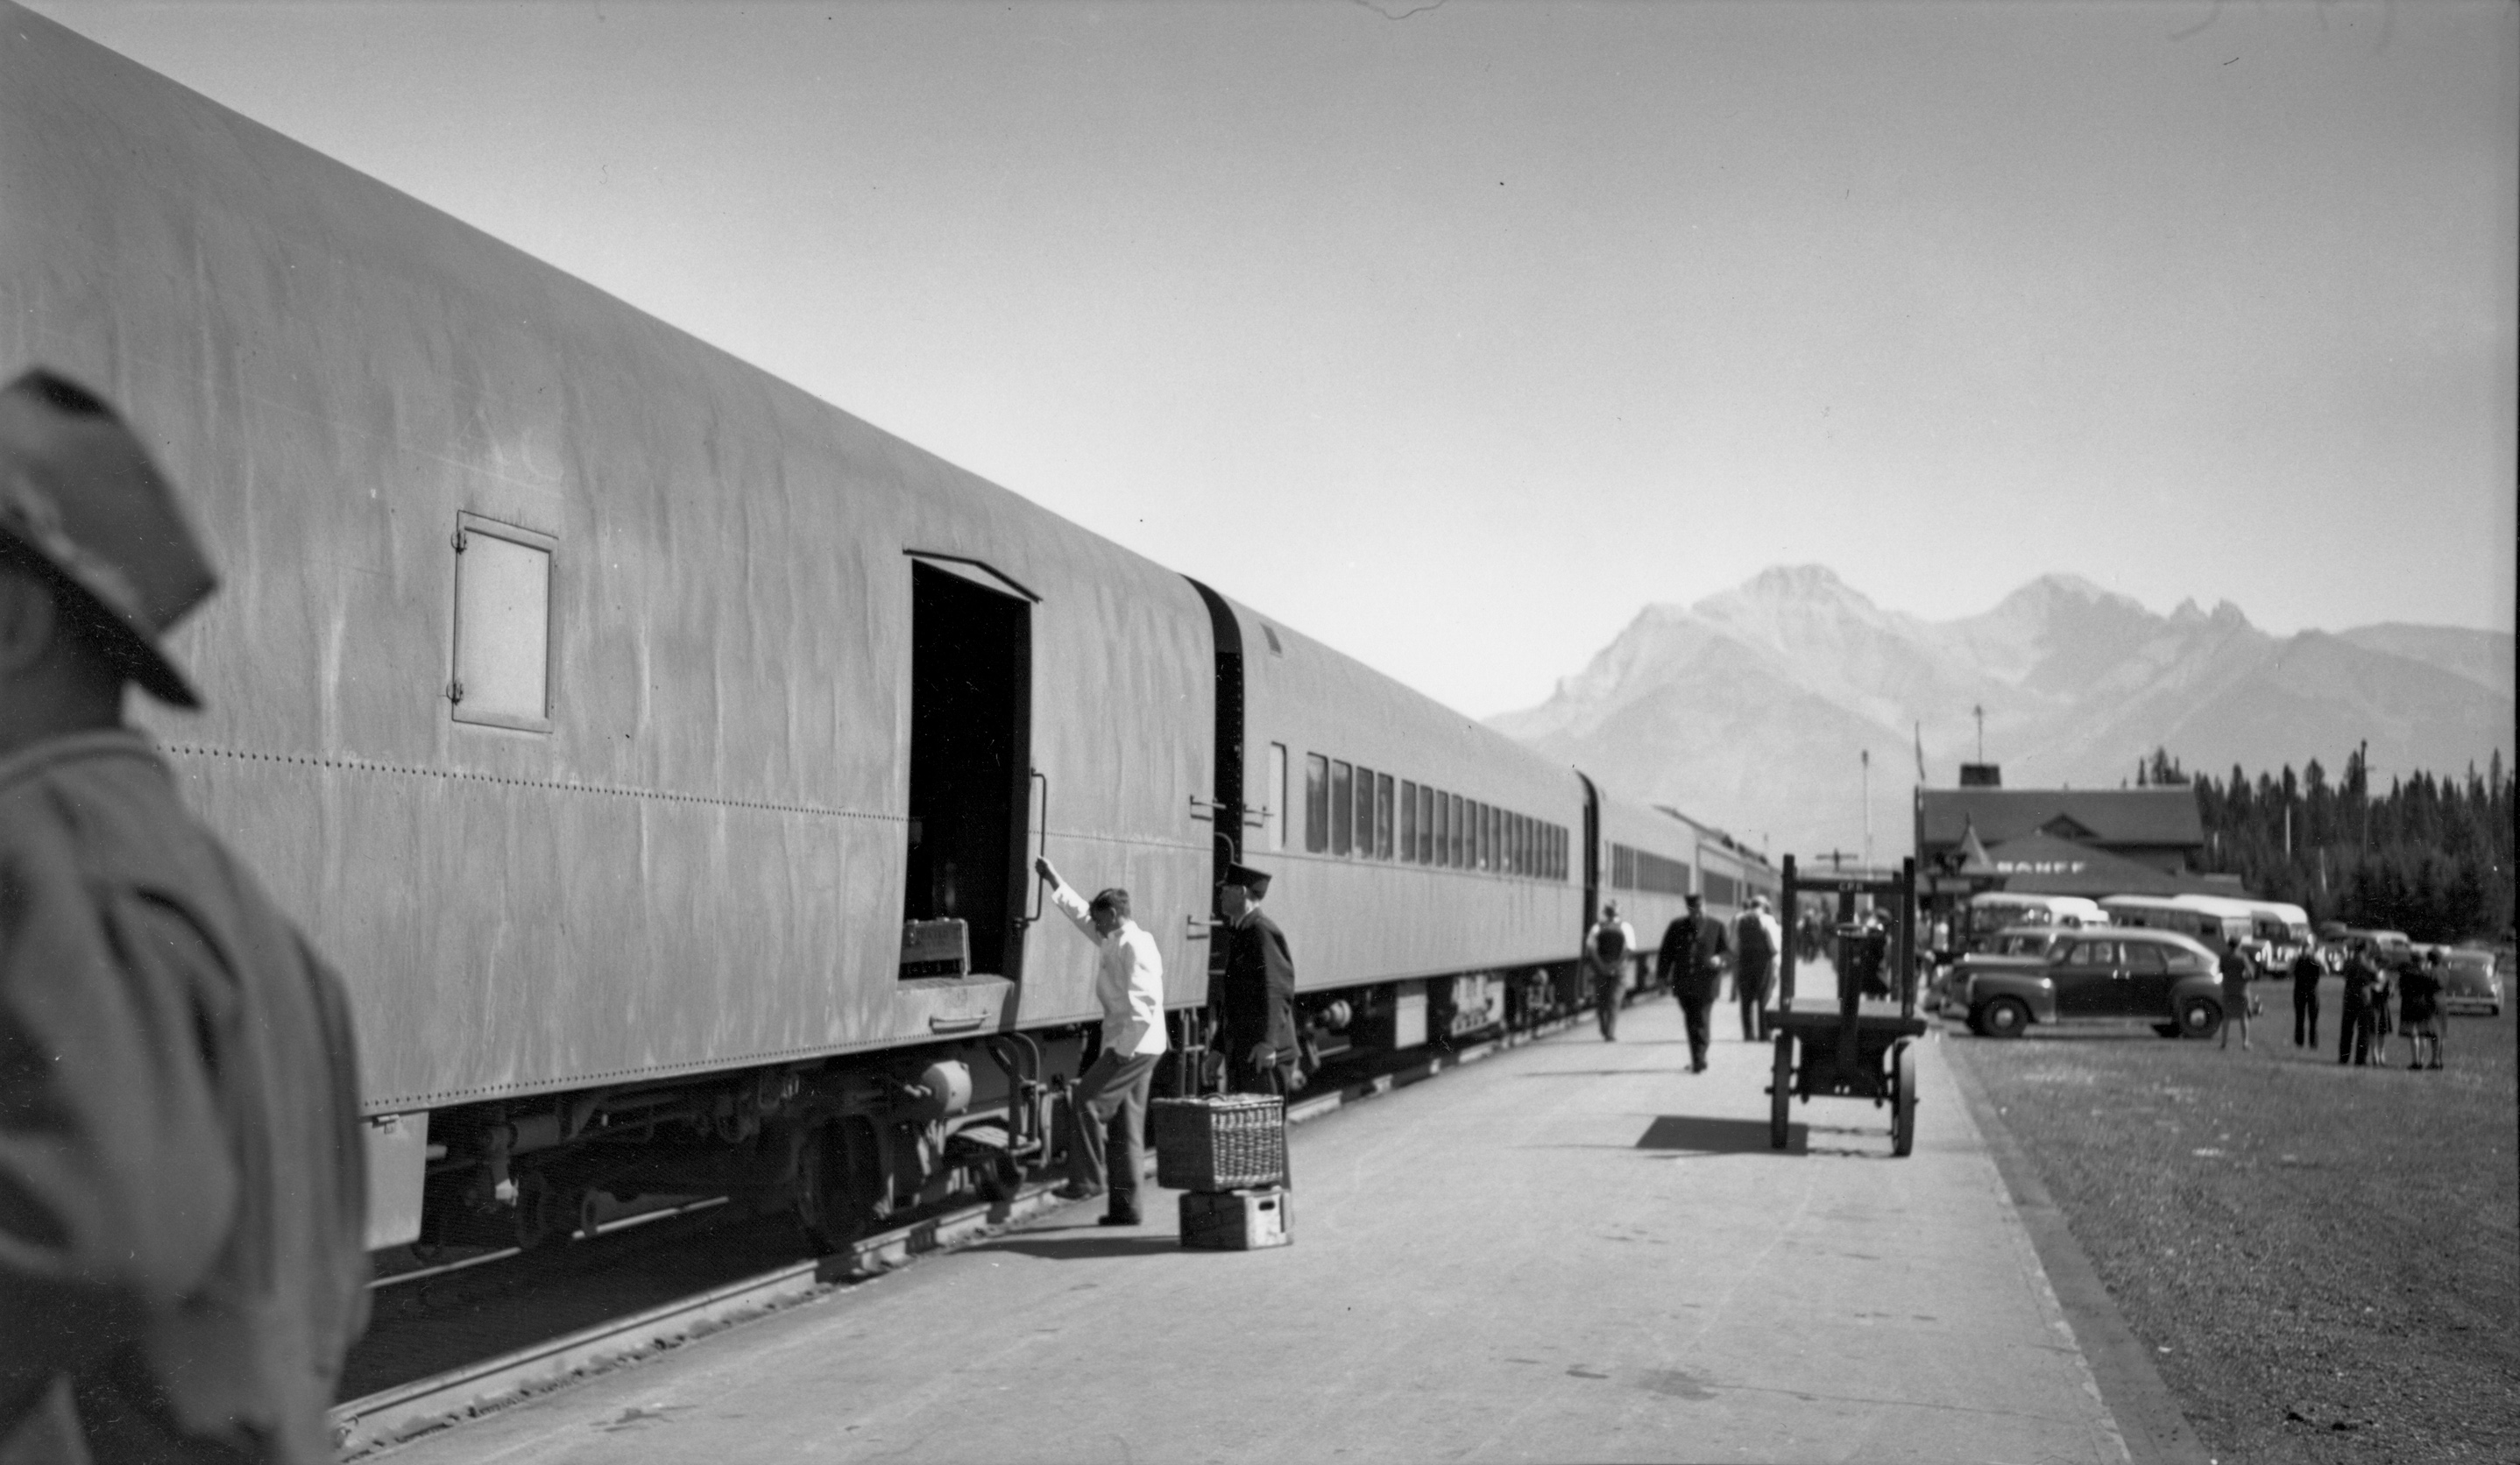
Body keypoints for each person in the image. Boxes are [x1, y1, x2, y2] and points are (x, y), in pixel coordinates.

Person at [0, 368, 369, 1463]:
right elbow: (335, 1299)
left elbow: (102, 1237)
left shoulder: (37, 850)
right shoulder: (266, 930)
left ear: (13, 618)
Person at [1036, 858, 1165, 1226]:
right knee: (1126, 1130)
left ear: (1111, 913)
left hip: (1133, 1046)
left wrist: (1121, 1055)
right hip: (1138, 1044)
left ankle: (1088, 1181)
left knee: (1085, 1100)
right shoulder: (1116, 938)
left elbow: (1144, 1008)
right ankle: (1127, 1209)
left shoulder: (1134, 946)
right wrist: (1054, 880)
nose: (1093, 924)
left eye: (1098, 918)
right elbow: (1081, 915)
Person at [1214, 861, 1300, 1095]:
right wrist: (1218, 1049)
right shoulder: (1245, 931)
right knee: (1252, 1127)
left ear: (1241, 891)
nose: (1220, 895)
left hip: (1264, 1054)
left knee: (1267, 1128)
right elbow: (1234, 1000)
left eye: (1225, 890)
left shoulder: (1261, 931)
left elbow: (1277, 988)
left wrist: (1268, 1043)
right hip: (1249, 1052)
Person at [1656, 893, 1731, 1072]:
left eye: (1700, 909)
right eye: (1693, 910)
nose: (1698, 913)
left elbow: (1728, 953)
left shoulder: (1717, 926)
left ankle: (1699, 1059)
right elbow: (1666, 953)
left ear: (1705, 906)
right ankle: (1698, 1057)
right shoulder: (1677, 926)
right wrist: (1662, 978)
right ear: (1688, 910)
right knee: (1691, 1021)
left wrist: (1719, 959)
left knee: (1702, 1019)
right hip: (1684, 983)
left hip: (1707, 983)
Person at [1582, 901, 1637, 1040]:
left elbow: (1591, 948)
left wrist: (1606, 965)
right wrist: (1608, 966)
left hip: (1612, 969)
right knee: (1603, 1000)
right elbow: (1591, 948)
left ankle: (1609, 1032)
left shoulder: (1602, 927)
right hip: (1611, 968)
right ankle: (1605, 1028)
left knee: (1613, 1000)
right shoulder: (1600, 928)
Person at [1732, 895, 1781, 1041]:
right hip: (1763, 963)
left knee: (1746, 1000)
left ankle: (1748, 1034)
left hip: (1744, 962)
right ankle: (1764, 1034)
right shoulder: (1768, 919)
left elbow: (1734, 944)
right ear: (1765, 906)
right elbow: (1775, 947)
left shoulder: (1739, 919)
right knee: (1764, 997)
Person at [2399, 951, 2445, 1072]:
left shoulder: (2405, 973)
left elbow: (2401, 989)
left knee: (2413, 1034)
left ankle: (2416, 1061)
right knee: (2423, 1033)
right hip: (2423, 1004)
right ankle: (2422, 1059)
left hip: (2408, 1004)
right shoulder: (2425, 974)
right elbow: (2432, 986)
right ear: (2422, 961)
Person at [2338, 942, 2381, 1067]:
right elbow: (2376, 978)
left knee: (2347, 1029)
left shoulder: (2349, 962)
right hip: (2364, 997)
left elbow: (2343, 975)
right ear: (2366, 950)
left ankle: (2343, 1057)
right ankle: (2360, 1059)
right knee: (2364, 1030)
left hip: (2349, 996)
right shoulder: (2369, 964)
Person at [2217, 935, 2254, 1051]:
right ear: (2238, 945)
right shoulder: (2243, 957)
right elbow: (2251, 974)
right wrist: (2244, 979)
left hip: (2227, 989)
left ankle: (2224, 1043)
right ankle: (2245, 1043)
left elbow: (2221, 970)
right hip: (2241, 990)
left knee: (2226, 1017)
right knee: (2243, 1017)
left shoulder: (2223, 956)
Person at [2290, 944, 2325, 1049]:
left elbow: (2326, 971)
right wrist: (2293, 961)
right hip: (2299, 990)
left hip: (2312, 991)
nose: (2305, 952)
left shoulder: (2315, 960)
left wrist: (2319, 960)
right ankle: (2299, 1042)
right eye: (2304, 949)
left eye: (2307, 950)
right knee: (2299, 1018)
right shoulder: (2298, 960)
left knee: (2313, 1019)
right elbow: (2289, 972)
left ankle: (2313, 1043)